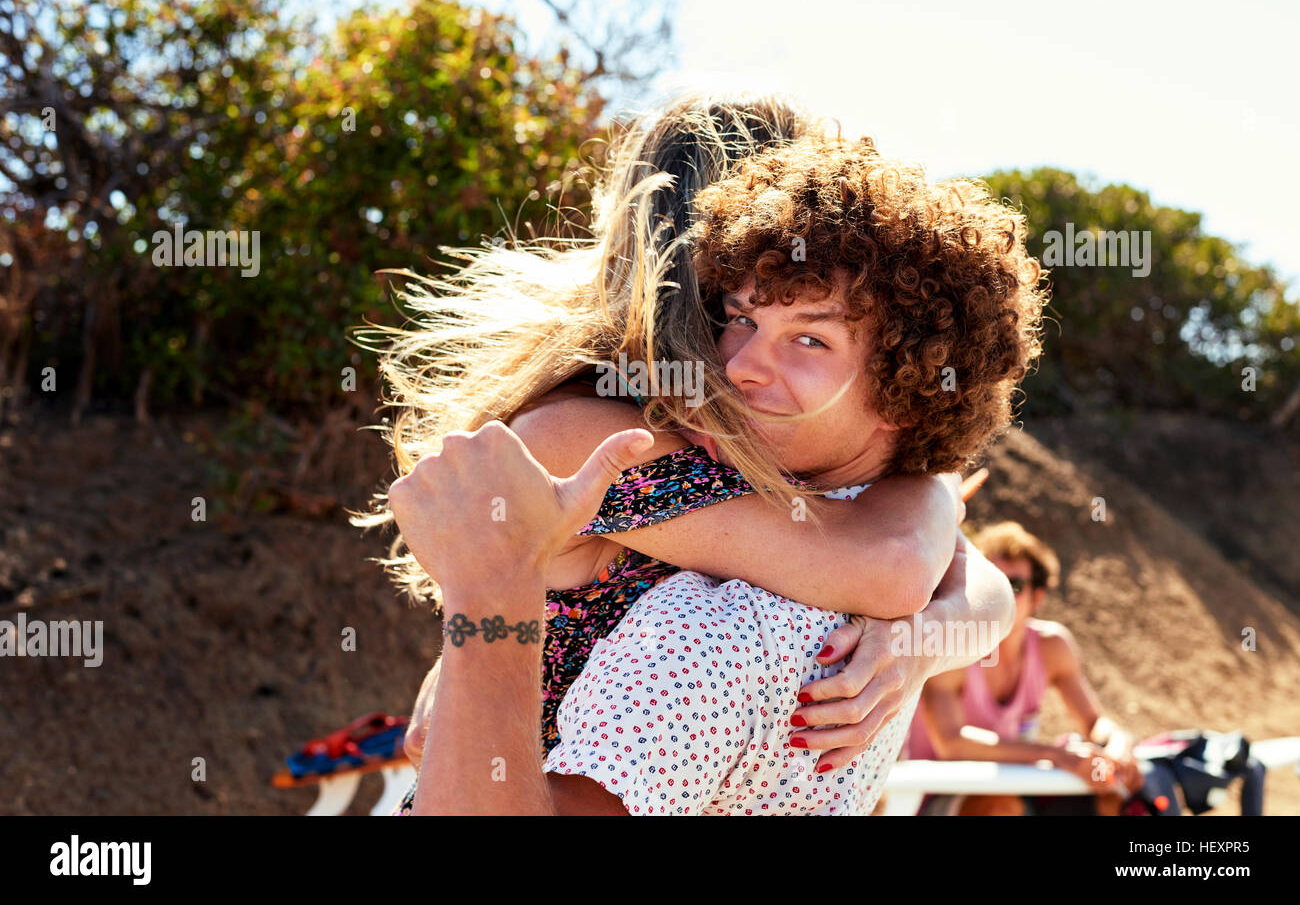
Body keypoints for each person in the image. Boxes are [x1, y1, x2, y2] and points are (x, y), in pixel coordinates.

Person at [360, 94, 1023, 816]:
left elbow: (973, 581)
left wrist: (924, 636)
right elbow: (890, 562)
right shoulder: (594, 440)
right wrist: (930, 500)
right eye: (744, 309)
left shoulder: (755, 451)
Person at [905, 521, 1145, 815]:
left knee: (1113, 797)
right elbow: (951, 744)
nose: (1000, 594)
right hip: (933, 795)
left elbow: (1094, 723)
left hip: (1018, 788)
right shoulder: (954, 643)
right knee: (999, 808)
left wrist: (1119, 744)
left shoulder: (1052, 645)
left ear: (1038, 597)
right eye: (991, 580)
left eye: (1014, 585)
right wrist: (1054, 755)